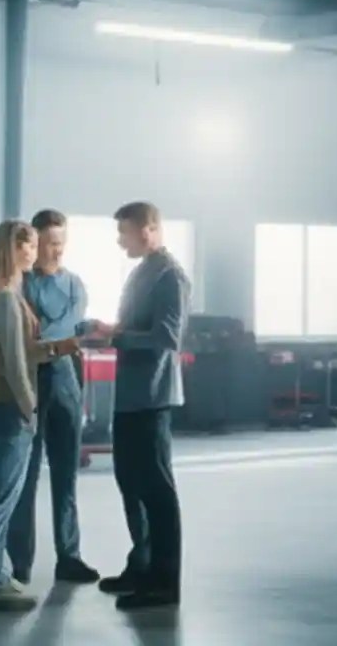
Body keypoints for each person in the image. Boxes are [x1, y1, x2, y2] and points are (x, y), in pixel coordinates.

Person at [0, 219, 81, 611]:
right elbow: (15, 365)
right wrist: (29, 408)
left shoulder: (4, 296)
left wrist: (62, 346)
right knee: (0, 496)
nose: (35, 252)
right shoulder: (4, 298)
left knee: (2, 492)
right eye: (30, 244)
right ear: (13, 248)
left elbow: (26, 350)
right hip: (8, 406)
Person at [91, 201, 191, 610]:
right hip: (130, 396)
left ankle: (164, 582)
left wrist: (116, 338)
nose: (120, 241)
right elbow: (133, 328)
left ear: (148, 230)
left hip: (152, 398)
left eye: (125, 232)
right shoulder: (139, 272)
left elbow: (167, 339)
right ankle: (142, 564)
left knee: (157, 491)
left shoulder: (170, 277)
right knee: (130, 484)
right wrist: (108, 330)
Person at [8, 209, 101, 586]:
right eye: (49, 245)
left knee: (66, 475)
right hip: (31, 379)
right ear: (35, 244)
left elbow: (76, 332)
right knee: (24, 477)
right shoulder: (21, 286)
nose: (56, 252)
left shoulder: (76, 286)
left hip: (66, 378)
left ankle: (69, 556)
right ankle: (20, 564)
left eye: (61, 244)